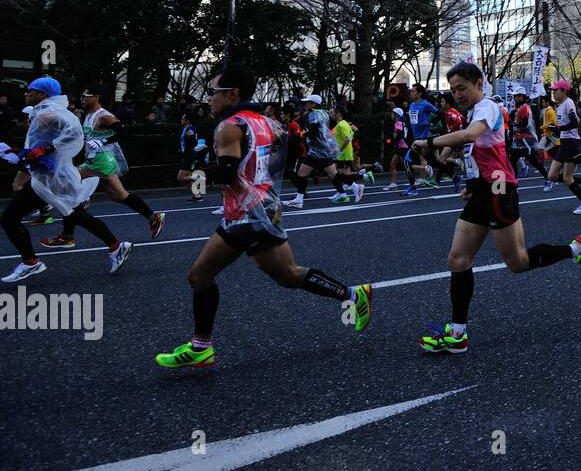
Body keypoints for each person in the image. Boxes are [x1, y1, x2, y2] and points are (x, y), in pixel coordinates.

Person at [154, 66, 373, 368]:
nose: (209, 99)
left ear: (232, 94)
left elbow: (229, 172)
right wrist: (266, 179)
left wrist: (192, 174)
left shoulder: (229, 126)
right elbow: (294, 149)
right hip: (265, 205)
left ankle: (201, 347)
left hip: (247, 213)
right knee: (288, 275)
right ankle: (352, 294)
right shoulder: (267, 122)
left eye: (213, 92)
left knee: (200, 275)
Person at [416, 62, 581, 354]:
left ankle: (577, 250)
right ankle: (457, 334)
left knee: (517, 262)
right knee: (458, 259)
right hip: (485, 190)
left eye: (461, 88)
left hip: (500, 190)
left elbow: (469, 136)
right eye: (453, 90)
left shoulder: (487, 107)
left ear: (479, 83)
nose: (457, 95)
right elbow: (479, 151)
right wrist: (473, 182)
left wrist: (429, 141)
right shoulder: (474, 111)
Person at [1, 77, 134, 282]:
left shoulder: (49, 113)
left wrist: (45, 149)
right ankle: (117, 247)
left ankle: (30, 262)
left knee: (9, 219)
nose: (26, 93)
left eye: (31, 90)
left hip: (52, 179)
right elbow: (43, 142)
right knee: (77, 215)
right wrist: (23, 152)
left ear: (43, 94)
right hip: (49, 177)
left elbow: (73, 133)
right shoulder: (45, 110)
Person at [39, 85, 165, 250]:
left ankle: (66, 235)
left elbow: (124, 133)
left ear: (96, 97)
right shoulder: (88, 115)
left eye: (85, 96)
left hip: (100, 161)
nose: (82, 100)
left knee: (67, 186)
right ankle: (153, 217)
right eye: (82, 97)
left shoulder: (104, 116)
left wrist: (102, 141)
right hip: (96, 160)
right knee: (119, 196)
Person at [283, 94, 362, 207]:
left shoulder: (313, 114)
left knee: (328, 174)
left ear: (313, 104)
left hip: (318, 150)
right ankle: (299, 200)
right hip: (320, 149)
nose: (305, 104)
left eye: (308, 102)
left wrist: (304, 134)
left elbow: (314, 130)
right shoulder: (323, 113)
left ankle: (355, 186)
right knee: (307, 173)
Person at [542, 79, 581, 215]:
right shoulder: (560, 105)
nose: (553, 93)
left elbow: (574, 123)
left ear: (564, 91)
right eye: (552, 91)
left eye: (555, 90)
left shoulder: (568, 103)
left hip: (571, 142)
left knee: (567, 178)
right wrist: (556, 129)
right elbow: (567, 125)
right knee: (551, 176)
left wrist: (560, 128)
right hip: (564, 142)